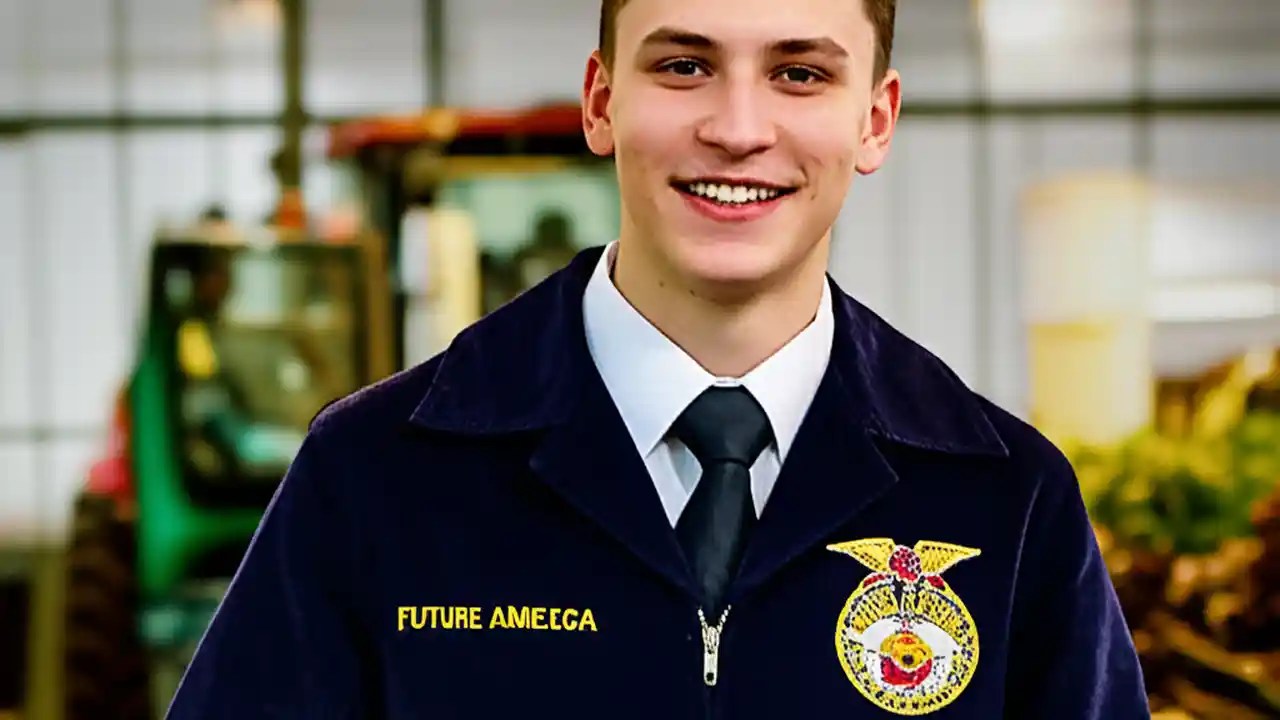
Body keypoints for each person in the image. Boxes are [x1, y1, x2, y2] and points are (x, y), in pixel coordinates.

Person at [165, 0, 1150, 717]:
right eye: (682, 66)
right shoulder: (377, 473)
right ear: (600, 101)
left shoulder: (999, 499)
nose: (735, 128)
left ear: (873, 120)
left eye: (798, 73)